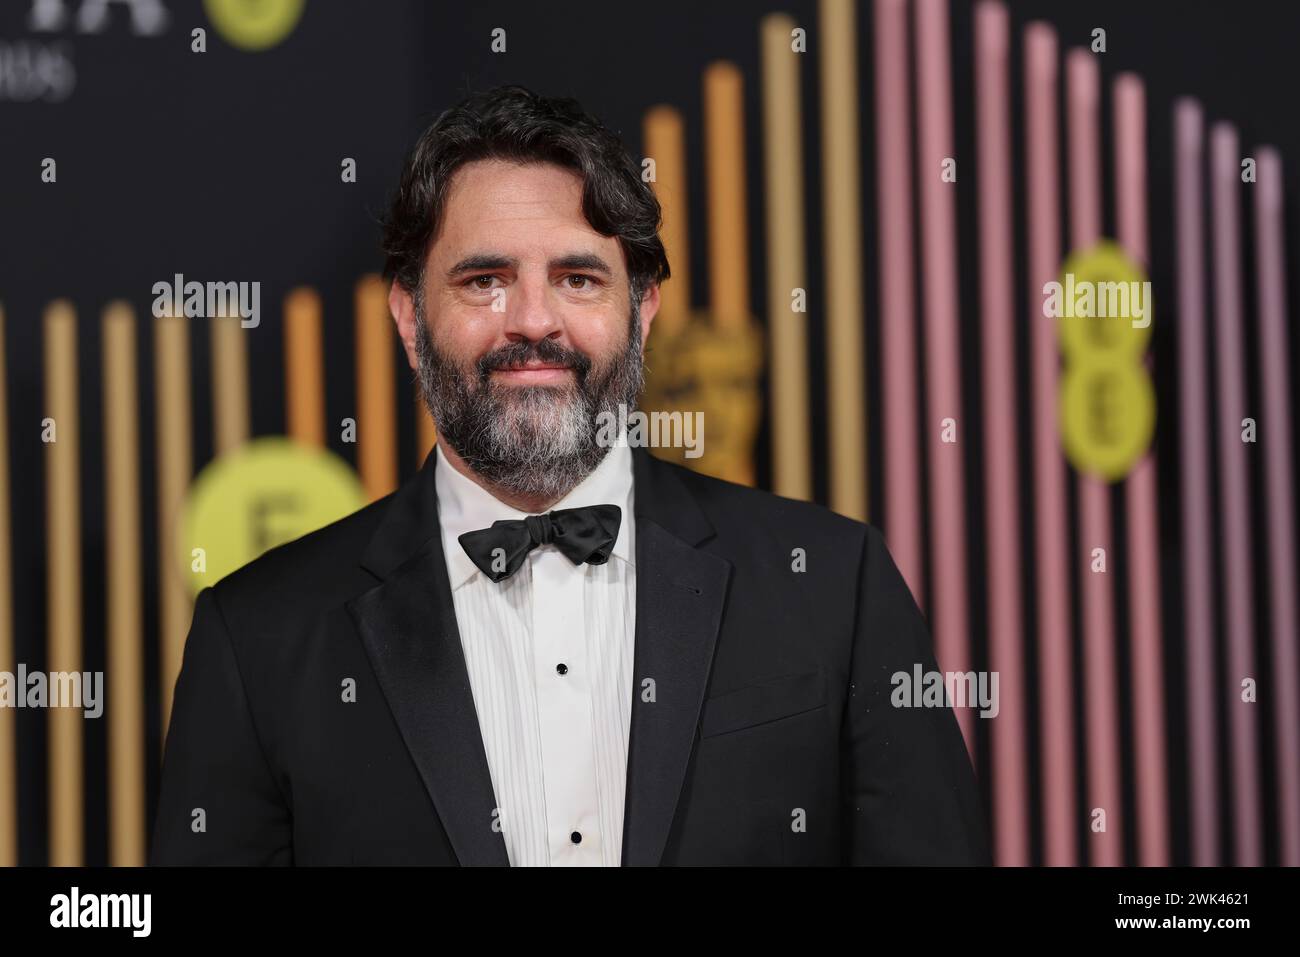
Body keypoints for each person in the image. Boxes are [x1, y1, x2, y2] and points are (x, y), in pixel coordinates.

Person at [151, 84, 990, 866]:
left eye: (578, 277)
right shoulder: (258, 639)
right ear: (409, 317)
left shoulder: (834, 587)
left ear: (643, 309)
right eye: (485, 280)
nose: (534, 321)